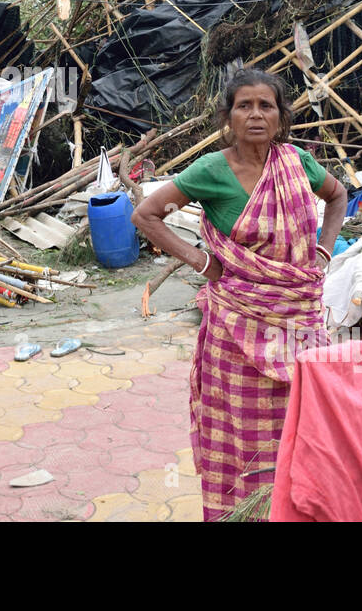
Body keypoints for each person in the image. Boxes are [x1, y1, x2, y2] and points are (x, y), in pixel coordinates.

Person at [131, 68, 347, 521]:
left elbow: (338, 195)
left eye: (265, 105)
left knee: (301, 425)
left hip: (298, 323)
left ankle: (297, 509)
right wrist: (202, 263)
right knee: (239, 434)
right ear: (228, 116)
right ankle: (241, 513)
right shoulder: (211, 171)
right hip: (235, 328)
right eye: (243, 105)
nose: (254, 114)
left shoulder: (297, 163)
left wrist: (324, 251)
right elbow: (148, 215)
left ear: (280, 116)